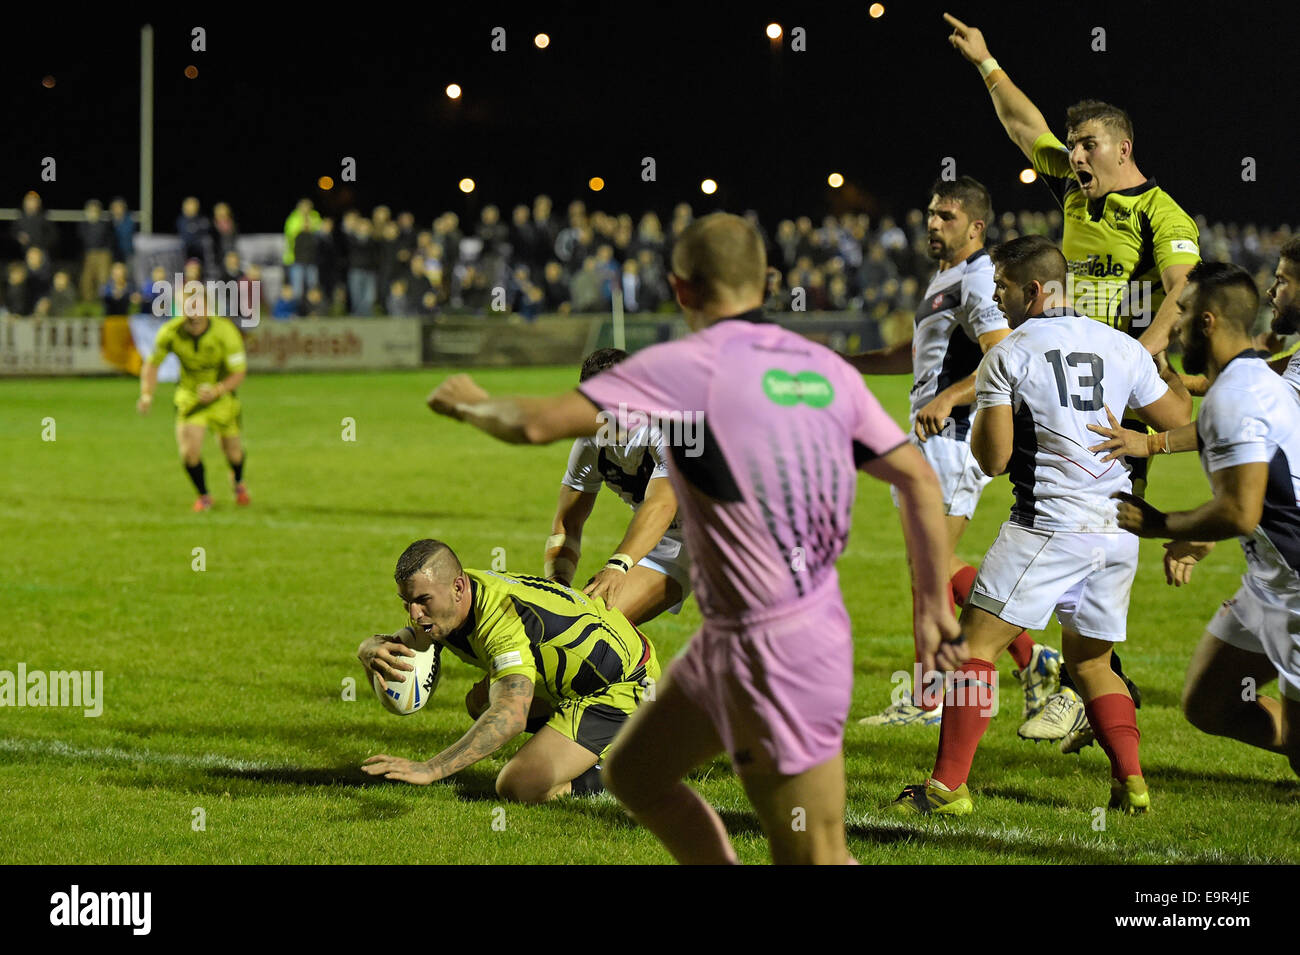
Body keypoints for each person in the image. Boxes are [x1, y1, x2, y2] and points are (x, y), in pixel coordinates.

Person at [426, 212, 964, 864]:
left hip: (778, 647)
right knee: (635, 775)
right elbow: (917, 478)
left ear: (681, 290)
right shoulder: (821, 369)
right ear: (764, 282)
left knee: (814, 853)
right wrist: (932, 601)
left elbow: (539, 422)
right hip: (754, 637)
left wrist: (468, 400)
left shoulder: (682, 367)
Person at [945, 12, 1196, 742]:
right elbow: (1023, 127)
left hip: (1115, 390)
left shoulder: (1158, 211)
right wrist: (988, 63)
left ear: (1123, 147)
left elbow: (1183, 283)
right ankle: (1091, 685)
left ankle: (1089, 679)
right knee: (1063, 519)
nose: (1074, 155)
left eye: (1087, 144)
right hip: (1063, 380)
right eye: (1074, 144)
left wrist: (1145, 346)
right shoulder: (1076, 194)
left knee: (1087, 523)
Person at [891, 235, 1190, 816]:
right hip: (1117, 527)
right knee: (1091, 663)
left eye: (1002, 285)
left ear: (1033, 290)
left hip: (1047, 523)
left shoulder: (1010, 353)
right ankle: (1132, 781)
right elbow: (1177, 419)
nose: (995, 295)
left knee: (974, 648)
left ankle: (946, 789)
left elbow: (994, 460)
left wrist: (983, 405)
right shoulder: (1119, 345)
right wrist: (1162, 369)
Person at [845, 176, 1061, 727]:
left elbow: (1002, 353)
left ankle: (928, 699)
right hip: (930, 436)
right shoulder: (944, 278)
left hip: (957, 435)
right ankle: (1031, 657)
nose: (933, 224)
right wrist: (849, 365)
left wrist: (948, 396)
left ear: (976, 226)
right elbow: (910, 353)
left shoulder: (980, 275)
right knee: (932, 565)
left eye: (946, 216)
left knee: (927, 571)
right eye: (931, 214)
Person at [1092, 262, 1300, 780]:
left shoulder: (1238, 395)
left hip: (1296, 585)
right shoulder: (1250, 378)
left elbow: (1240, 509)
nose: (1174, 325)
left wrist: (1164, 524)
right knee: (1208, 704)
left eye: (1181, 313)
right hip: (1269, 580)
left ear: (1206, 322)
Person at [359, 539, 660, 801]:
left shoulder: (501, 618)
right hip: (575, 681)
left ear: (458, 588)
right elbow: (410, 640)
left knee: (518, 786)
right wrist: (369, 647)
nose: (414, 614)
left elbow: (511, 715)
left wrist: (431, 768)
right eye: (407, 602)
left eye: (422, 601)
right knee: (479, 703)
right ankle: (581, 746)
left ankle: (618, 772)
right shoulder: (453, 599)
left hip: (625, 683)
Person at [545, 348, 690, 626]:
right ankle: (641, 671)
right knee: (589, 624)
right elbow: (568, 523)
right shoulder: (589, 443)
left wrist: (618, 565)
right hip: (671, 542)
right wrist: (557, 585)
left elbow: (662, 504)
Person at [136, 294, 250, 511]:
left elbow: (238, 373)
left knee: (234, 453)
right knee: (189, 453)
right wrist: (147, 394)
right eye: (188, 309)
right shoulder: (170, 332)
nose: (194, 315)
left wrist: (217, 390)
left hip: (222, 398)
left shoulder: (225, 332)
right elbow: (152, 365)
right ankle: (204, 495)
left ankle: (238, 482)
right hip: (190, 396)